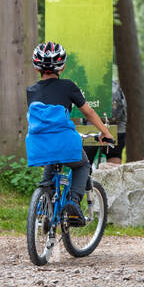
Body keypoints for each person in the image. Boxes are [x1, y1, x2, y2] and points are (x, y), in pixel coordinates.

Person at [25, 41, 114, 226]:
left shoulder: (31, 91)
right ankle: (73, 202)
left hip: (37, 145)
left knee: (51, 161)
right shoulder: (68, 86)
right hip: (64, 142)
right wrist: (105, 132)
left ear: (36, 68)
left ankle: (43, 203)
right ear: (62, 67)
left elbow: (43, 123)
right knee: (82, 165)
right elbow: (88, 112)